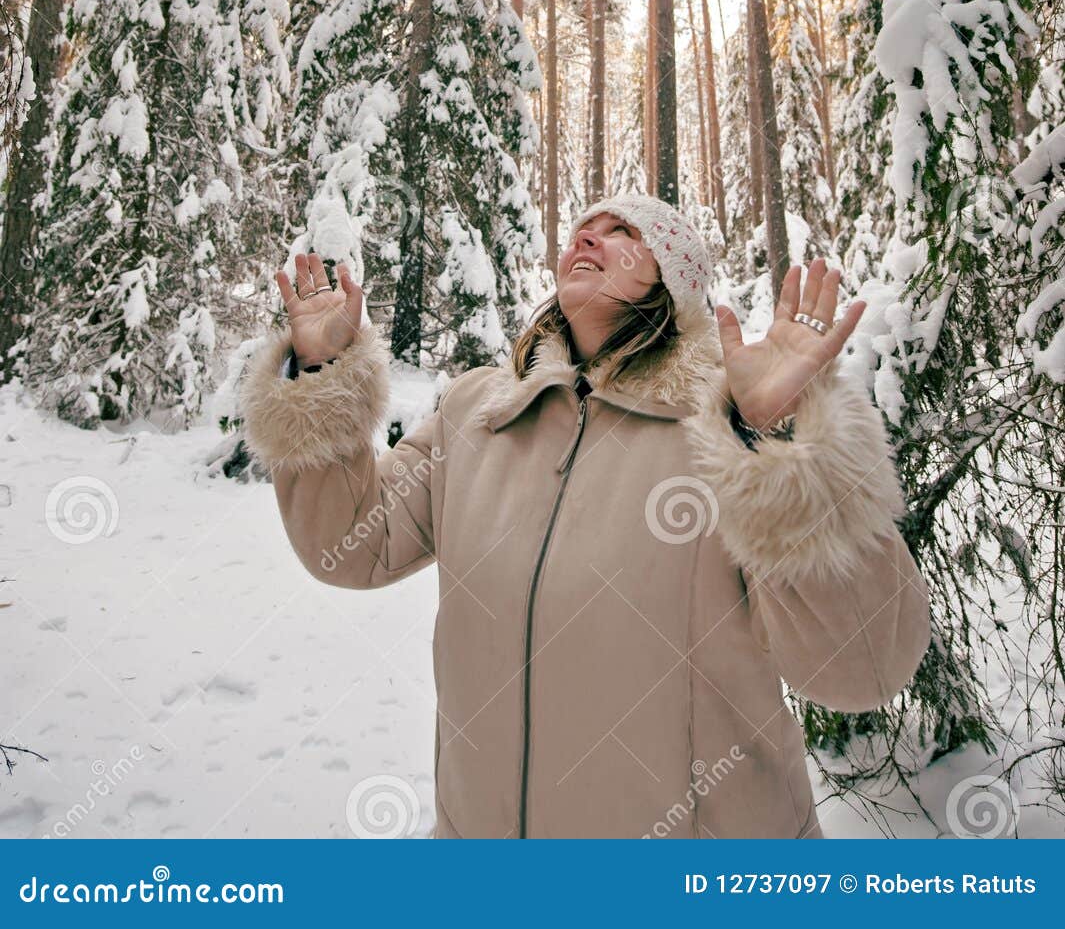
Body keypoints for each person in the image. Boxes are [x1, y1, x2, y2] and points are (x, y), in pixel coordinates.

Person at [239, 191, 930, 839]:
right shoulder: (476, 412)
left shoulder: (725, 429)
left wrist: (780, 446)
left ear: (672, 280)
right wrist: (321, 371)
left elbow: (862, 671)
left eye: (622, 233)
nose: (588, 237)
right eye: (582, 230)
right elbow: (348, 546)